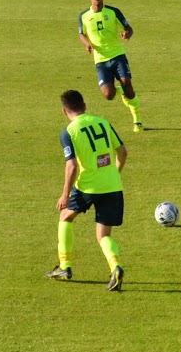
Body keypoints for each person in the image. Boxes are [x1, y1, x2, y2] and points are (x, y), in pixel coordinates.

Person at [48, 89, 127, 289]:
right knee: (104, 235)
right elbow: (123, 152)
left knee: (65, 217)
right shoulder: (103, 122)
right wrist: (114, 173)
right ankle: (115, 267)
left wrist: (65, 194)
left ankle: (65, 266)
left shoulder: (69, 132)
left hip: (87, 187)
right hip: (112, 185)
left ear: (64, 111)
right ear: (84, 105)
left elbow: (72, 166)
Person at [78, 0, 141, 132]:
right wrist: (87, 44)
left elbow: (129, 28)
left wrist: (127, 34)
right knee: (108, 95)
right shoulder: (84, 16)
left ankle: (137, 120)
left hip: (117, 55)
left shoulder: (113, 12)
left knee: (128, 85)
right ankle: (120, 91)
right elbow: (81, 33)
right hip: (100, 60)